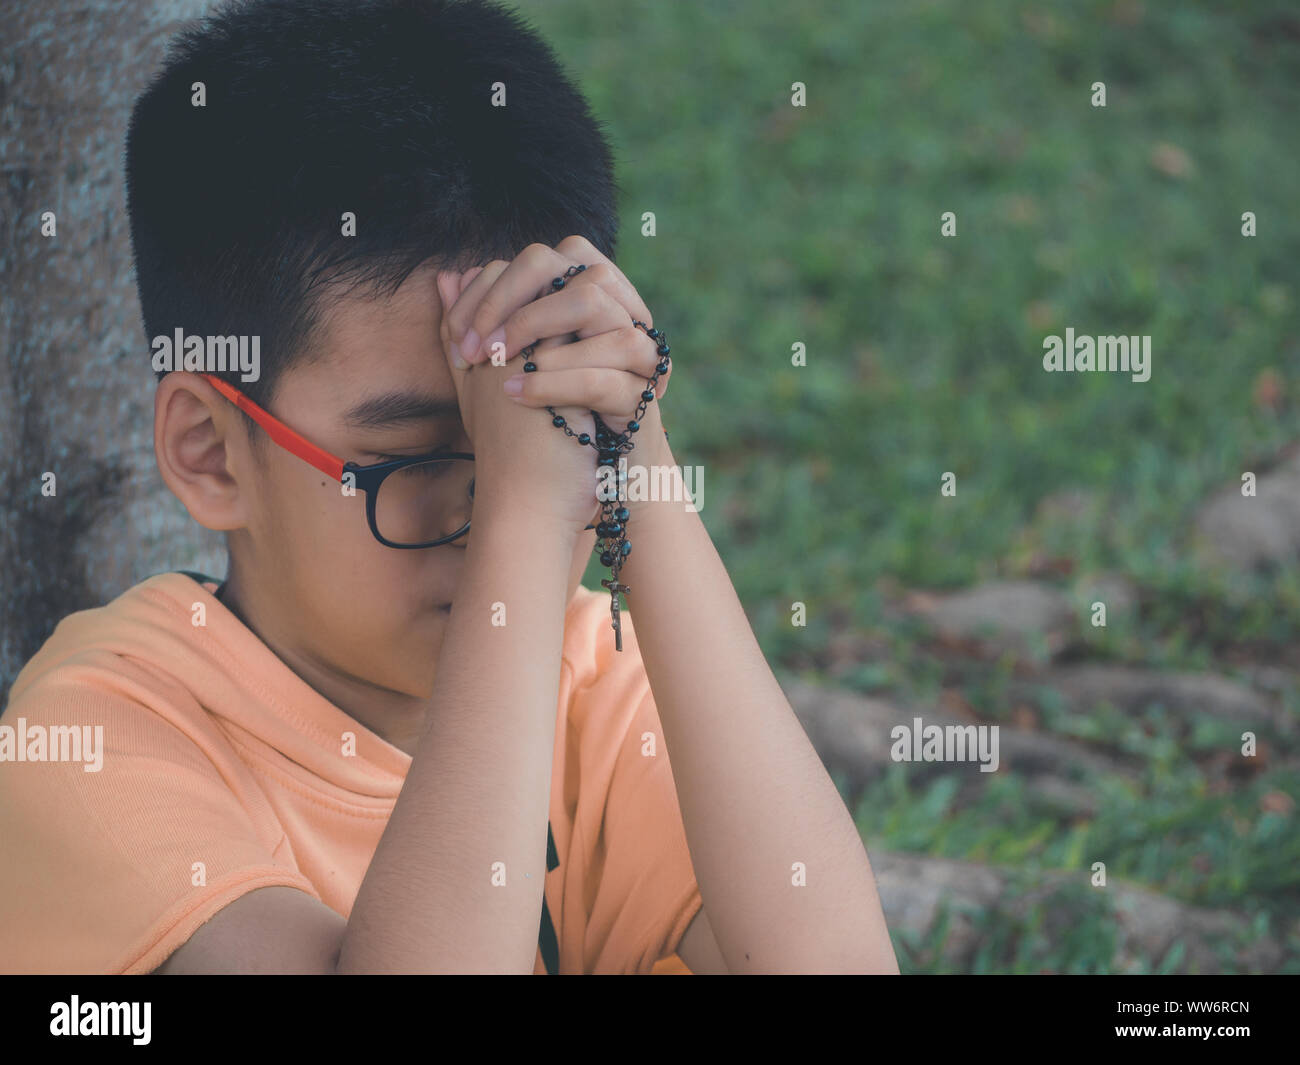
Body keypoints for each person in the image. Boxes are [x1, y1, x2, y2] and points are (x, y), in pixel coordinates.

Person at [0, 0, 897, 975]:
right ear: (213, 454)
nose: (495, 510)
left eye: (549, 433)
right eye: (426, 457)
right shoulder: (86, 747)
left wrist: (634, 455)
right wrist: (522, 516)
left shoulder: (594, 687)